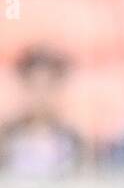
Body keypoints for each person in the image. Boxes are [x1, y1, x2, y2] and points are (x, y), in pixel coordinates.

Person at [0, 46, 86, 176]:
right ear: (23, 87)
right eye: (34, 85)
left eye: (48, 86)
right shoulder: (6, 138)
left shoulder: (73, 140)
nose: (41, 95)